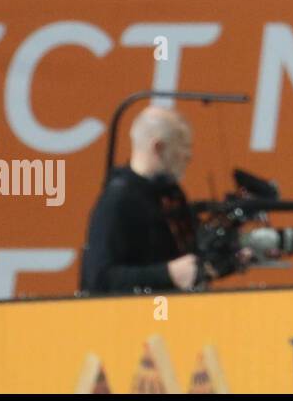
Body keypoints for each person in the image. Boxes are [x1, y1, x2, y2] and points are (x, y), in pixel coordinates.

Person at [79, 106, 207, 294]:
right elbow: (100, 278)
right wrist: (167, 273)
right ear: (158, 147)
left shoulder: (170, 194)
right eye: (183, 146)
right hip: (133, 317)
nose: (189, 156)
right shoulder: (119, 200)